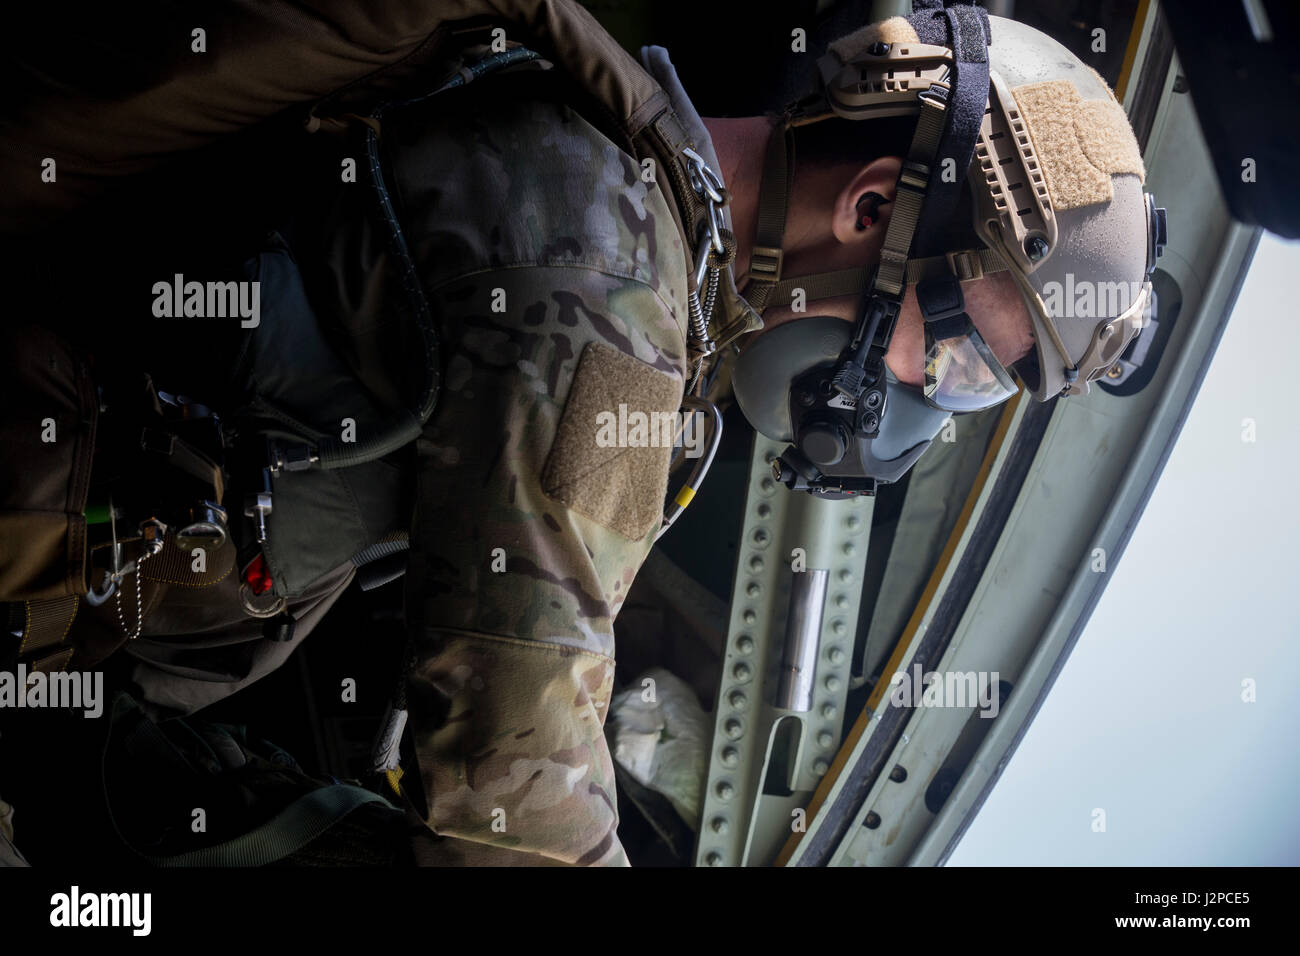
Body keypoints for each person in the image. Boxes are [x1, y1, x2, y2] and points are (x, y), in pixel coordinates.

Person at [0, 0, 1162, 867]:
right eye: (955, 360)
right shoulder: (614, 290)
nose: (923, 402)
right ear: (866, 208)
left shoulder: (629, 225)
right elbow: (513, 773)